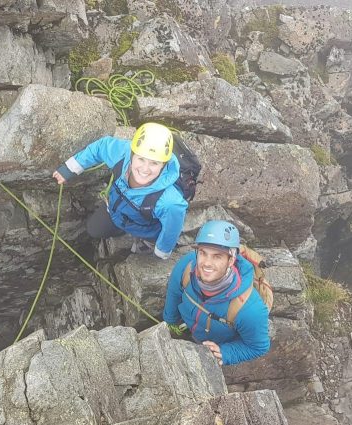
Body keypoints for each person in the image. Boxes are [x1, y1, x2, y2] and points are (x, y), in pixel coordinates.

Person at [52, 123, 188, 260]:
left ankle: (147, 240)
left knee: (154, 240)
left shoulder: (170, 202)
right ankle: (123, 229)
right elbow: (101, 147)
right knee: (93, 229)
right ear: (132, 154)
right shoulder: (122, 155)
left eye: (154, 163)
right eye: (141, 159)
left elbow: (171, 229)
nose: (145, 169)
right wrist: (70, 168)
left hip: (147, 228)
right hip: (116, 211)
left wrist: (161, 251)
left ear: (164, 164)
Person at [162, 220, 271, 366]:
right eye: (203, 253)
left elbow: (258, 346)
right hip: (187, 324)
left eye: (217, 256)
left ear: (231, 260)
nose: (206, 263)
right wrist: (170, 323)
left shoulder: (250, 310)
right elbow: (174, 294)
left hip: (213, 344)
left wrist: (226, 352)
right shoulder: (187, 266)